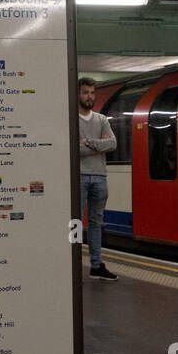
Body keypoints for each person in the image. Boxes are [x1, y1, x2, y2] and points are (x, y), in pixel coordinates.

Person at [77, 77, 118, 281]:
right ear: (77, 94)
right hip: (79, 176)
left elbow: (112, 144)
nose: (89, 96)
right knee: (74, 222)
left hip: (100, 177)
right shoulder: (70, 119)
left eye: (92, 93)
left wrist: (89, 144)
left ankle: (96, 265)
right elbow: (74, 149)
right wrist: (97, 147)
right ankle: (73, 264)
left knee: (96, 223)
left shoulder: (101, 119)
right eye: (85, 92)